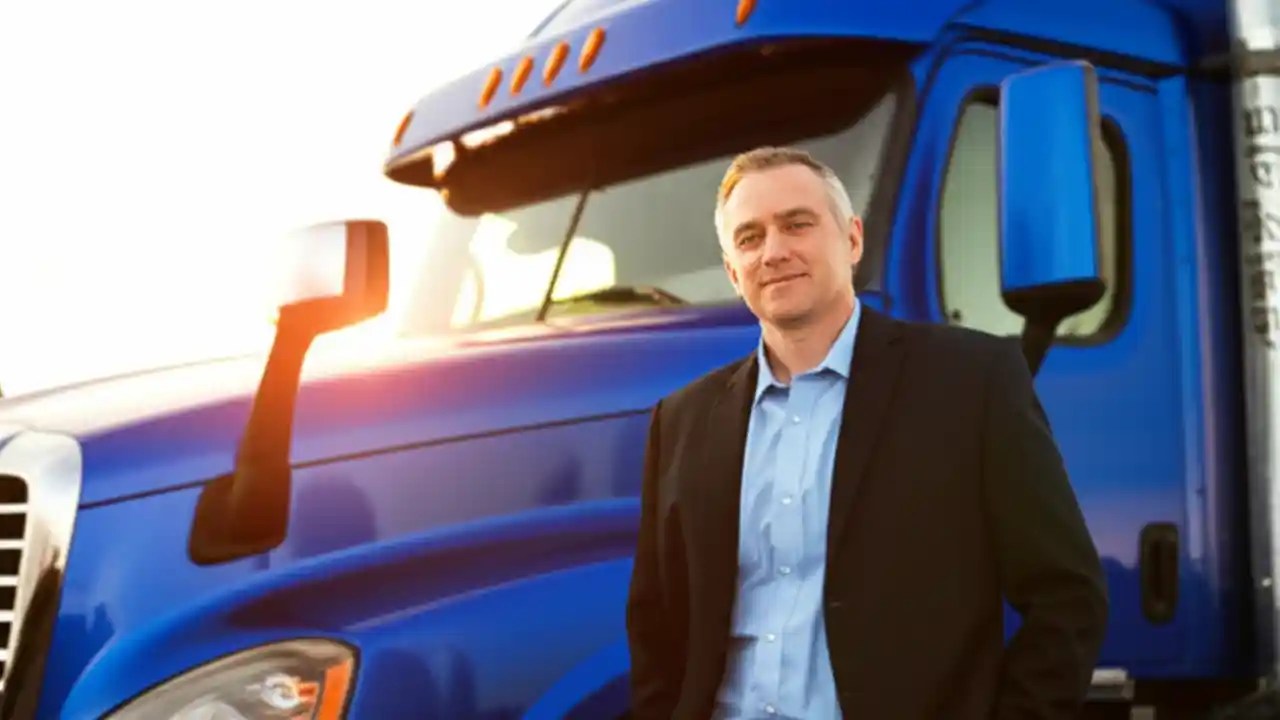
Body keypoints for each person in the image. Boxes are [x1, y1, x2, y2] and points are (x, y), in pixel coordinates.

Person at [625, 146, 1109, 720]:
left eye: (797, 224)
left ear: (852, 239)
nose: (774, 251)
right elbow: (655, 632)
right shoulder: (680, 422)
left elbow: (1068, 598)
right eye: (750, 238)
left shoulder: (972, 382)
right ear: (733, 270)